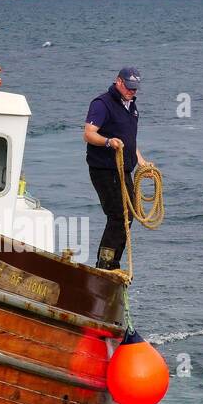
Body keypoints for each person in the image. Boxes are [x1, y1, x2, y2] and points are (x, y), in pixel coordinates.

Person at [84, 66, 152, 270]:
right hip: (104, 169)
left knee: (127, 216)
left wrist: (141, 160)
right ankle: (105, 264)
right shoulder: (102, 104)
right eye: (129, 87)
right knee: (118, 215)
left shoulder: (131, 106)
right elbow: (88, 133)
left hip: (123, 169)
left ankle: (113, 262)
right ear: (118, 82)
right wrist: (108, 142)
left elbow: (129, 139)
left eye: (135, 88)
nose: (133, 91)